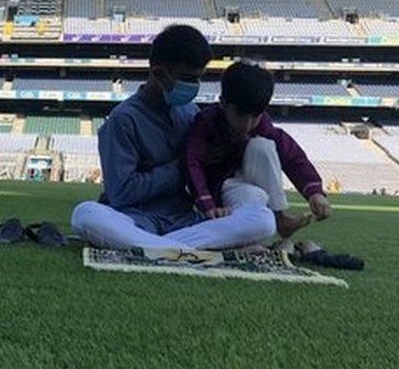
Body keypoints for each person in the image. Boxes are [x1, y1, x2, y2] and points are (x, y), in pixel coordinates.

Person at [71, 25, 277, 251]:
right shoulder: (123, 120)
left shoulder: (191, 113)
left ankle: (160, 249)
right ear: (159, 73)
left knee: (263, 218)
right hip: (137, 220)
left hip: (186, 221)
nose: (194, 86)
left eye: (199, 79)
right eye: (188, 79)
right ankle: (180, 248)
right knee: (86, 213)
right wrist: (182, 167)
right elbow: (121, 193)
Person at [185, 61, 331, 238]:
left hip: (244, 182)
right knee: (254, 197)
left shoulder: (263, 126)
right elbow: (193, 164)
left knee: (264, 146)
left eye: (255, 116)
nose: (247, 125)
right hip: (219, 189)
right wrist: (208, 205)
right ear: (223, 103)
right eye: (241, 116)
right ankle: (252, 232)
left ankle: (279, 217)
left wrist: (314, 192)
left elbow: (292, 156)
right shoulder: (206, 123)